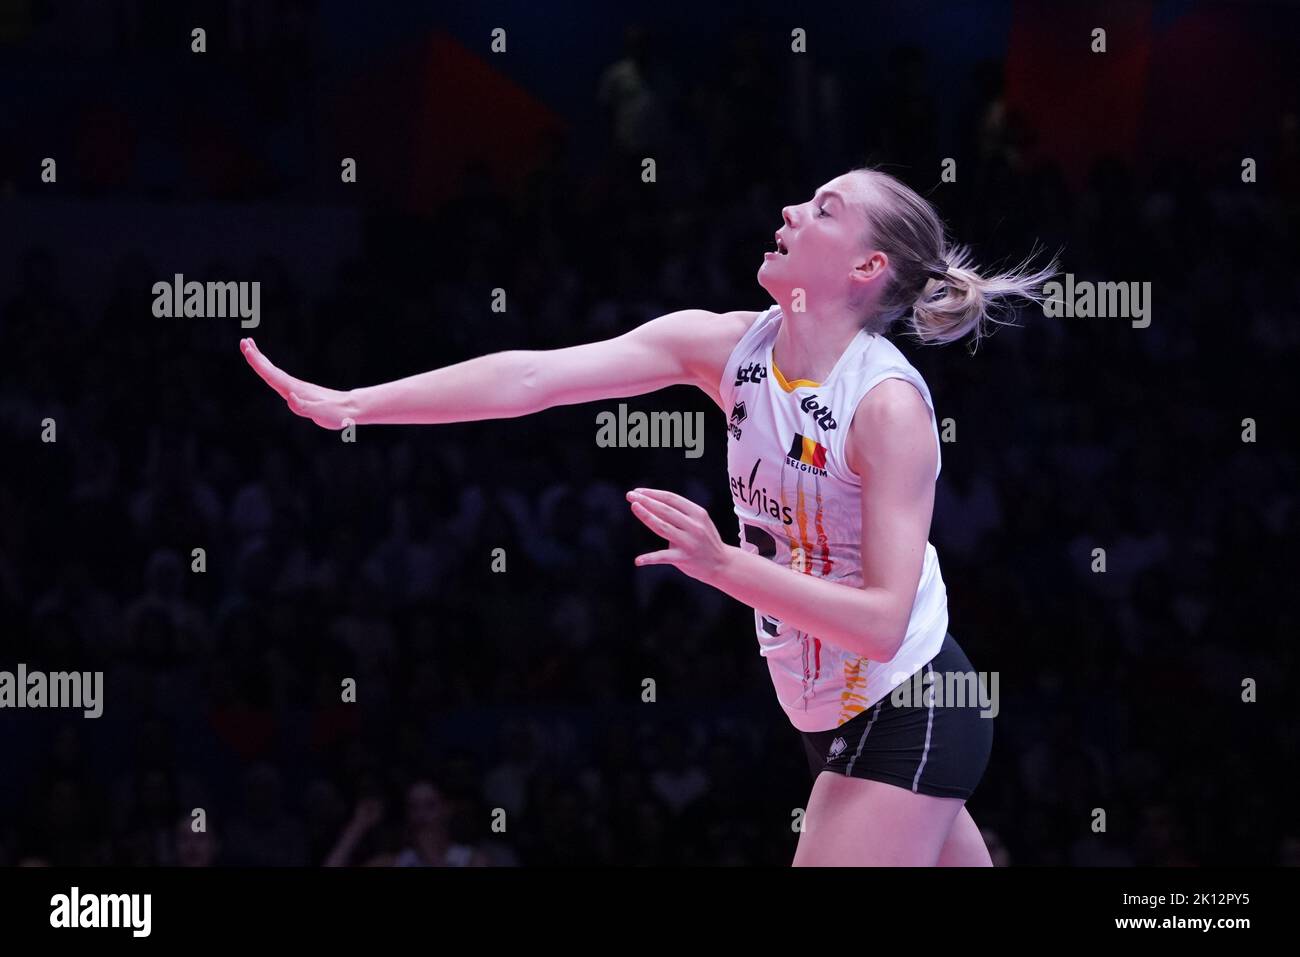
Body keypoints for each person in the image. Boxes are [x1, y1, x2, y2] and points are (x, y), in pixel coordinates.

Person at [242, 166, 1056, 866]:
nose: (792, 212)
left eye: (824, 209)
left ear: (866, 266)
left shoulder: (886, 409)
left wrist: (725, 564)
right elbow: (535, 378)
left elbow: (881, 623)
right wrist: (357, 405)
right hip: (829, 713)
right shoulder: (726, 349)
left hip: (907, 703)